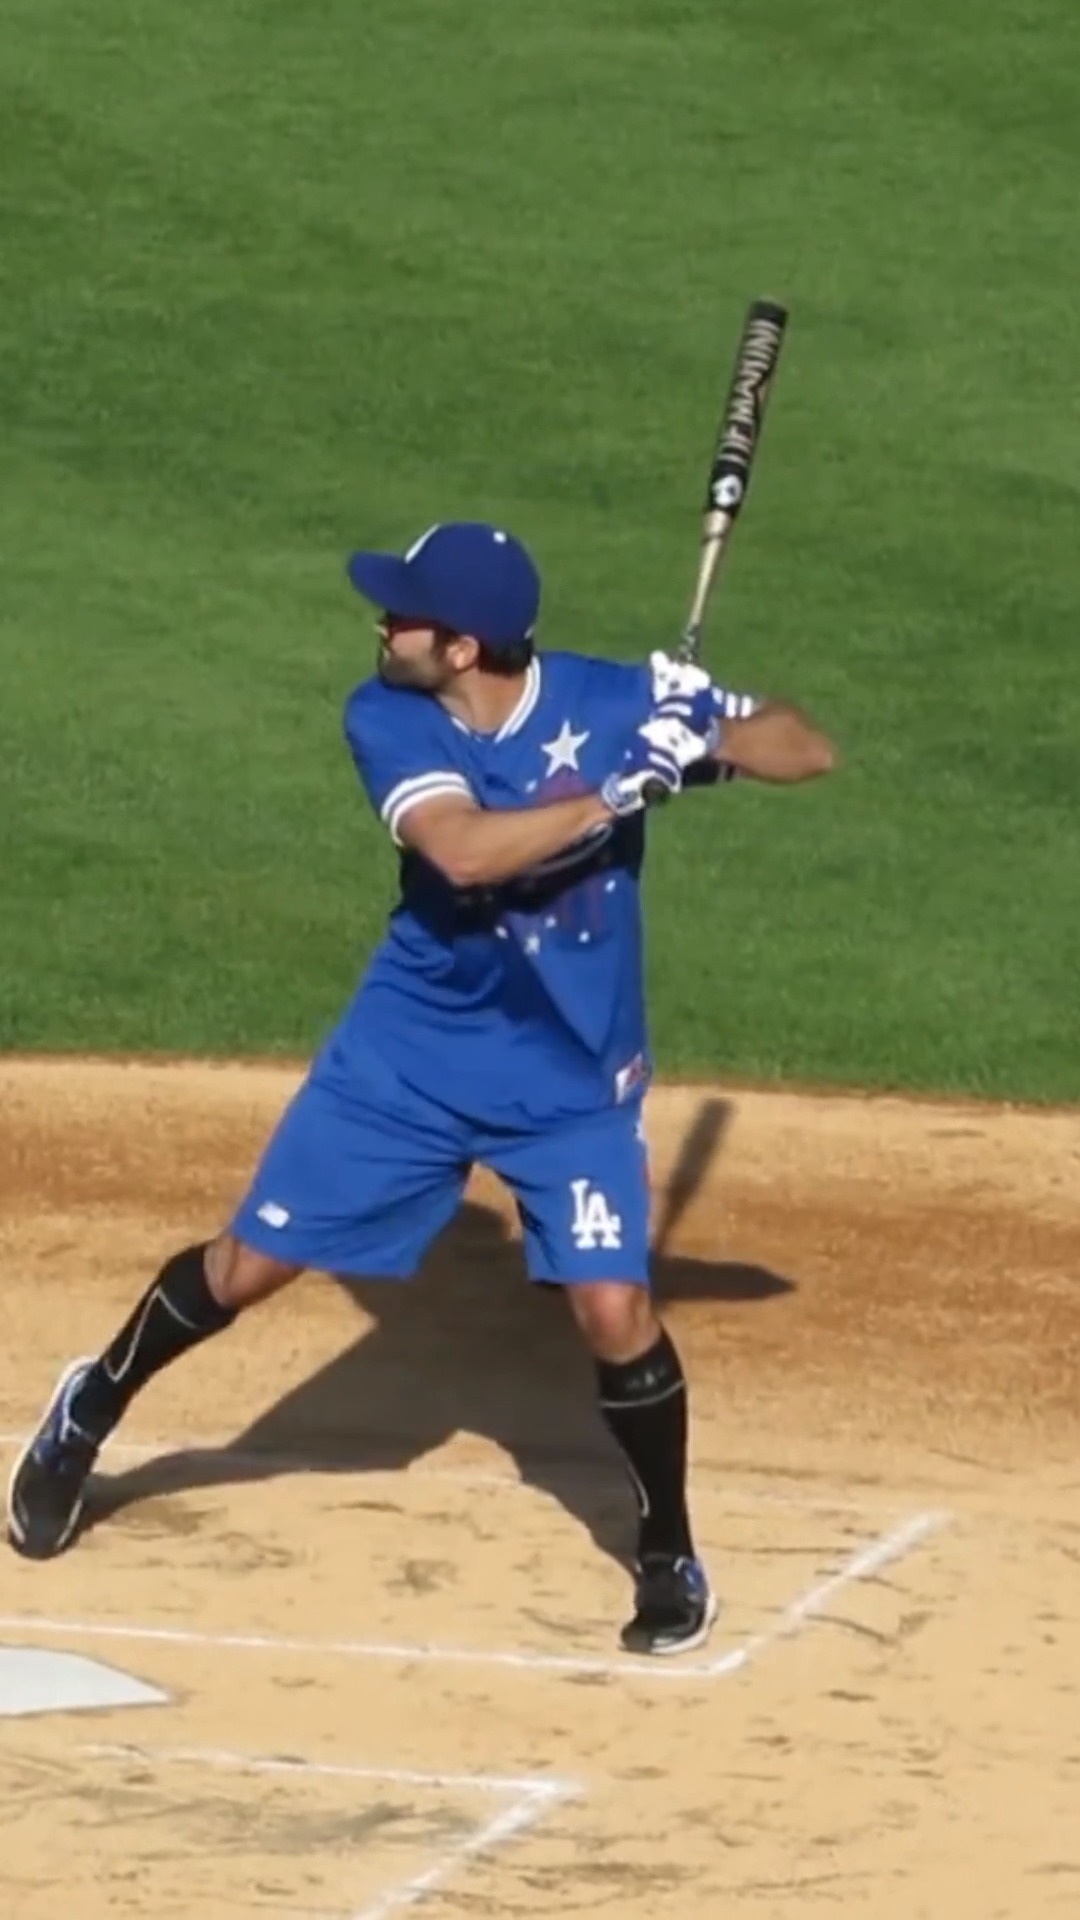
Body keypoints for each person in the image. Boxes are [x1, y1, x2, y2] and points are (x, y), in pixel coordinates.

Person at [7, 521, 835, 1655]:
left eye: (402, 613)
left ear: (462, 644)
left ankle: (666, 1553)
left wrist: (707, 730)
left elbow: (807, 749)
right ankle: (90, 1405)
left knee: (612, 1308)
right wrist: (615, 788)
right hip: (412, 1057)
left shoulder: (614, 699)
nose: (380, 623)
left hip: (573, 1077)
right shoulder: (387, 714)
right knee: (251, 1265)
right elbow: (464, 853)